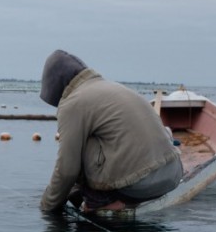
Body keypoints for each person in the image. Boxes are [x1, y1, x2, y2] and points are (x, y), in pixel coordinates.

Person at [38, 50, 182, 213]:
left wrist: (47, 207)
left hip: (138, 184)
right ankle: (121, 199)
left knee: (78, 149)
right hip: (173, 174)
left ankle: (101, 201)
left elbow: (67, 170)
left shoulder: (73, 102)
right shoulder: (113, 87)